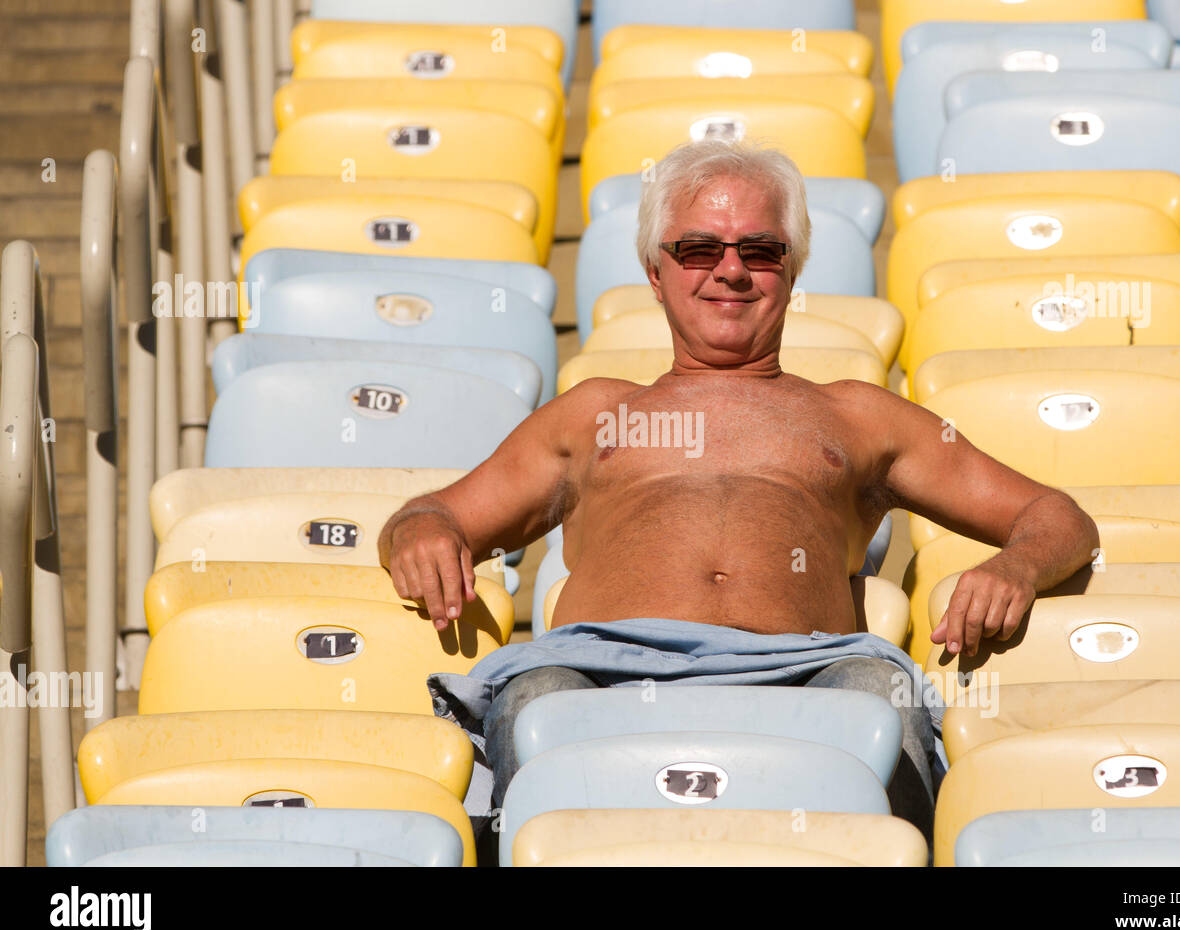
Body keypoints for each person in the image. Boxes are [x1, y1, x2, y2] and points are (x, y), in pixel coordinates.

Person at [377, 139, 1100, 843]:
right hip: (602, 676)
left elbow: (1056, 516)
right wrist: (418, 533)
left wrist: (1015, 565)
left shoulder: (860, 414)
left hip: (807, 675)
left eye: (761, 251)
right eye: (699, 249)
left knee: (882, 697)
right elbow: (434, 513)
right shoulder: (593, 414)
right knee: (535, 698)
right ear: (655, 272)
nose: (731, 271)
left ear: (793, 269)